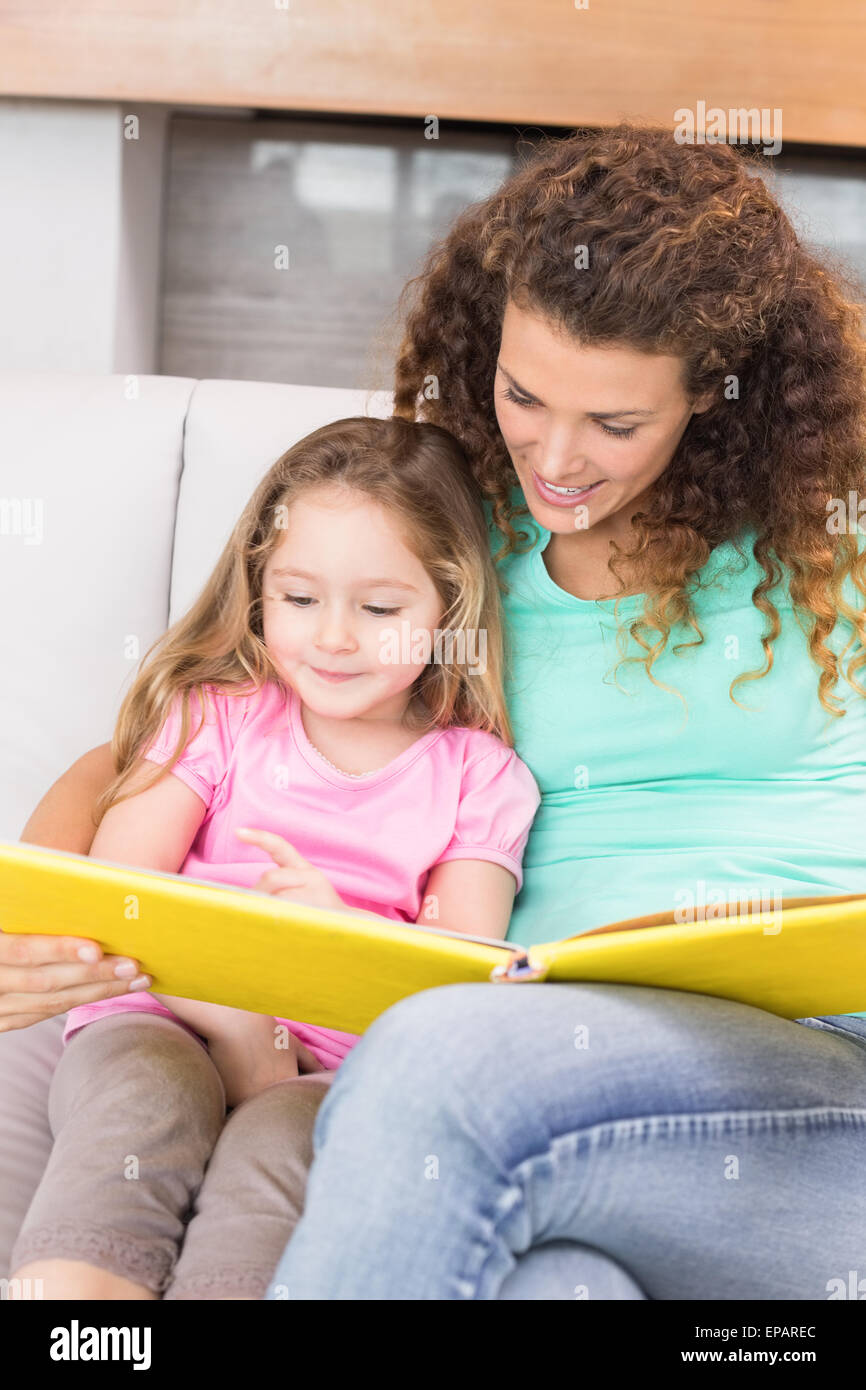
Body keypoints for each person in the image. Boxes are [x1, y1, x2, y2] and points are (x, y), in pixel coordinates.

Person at [3, 119, 866, 1301]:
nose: (553, 458)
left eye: (615, 425)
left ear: (715, 404)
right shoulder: (459, 546)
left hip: (812, 1074)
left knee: (435, 1062)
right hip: (549, 1068)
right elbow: (149, 745)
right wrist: (38, 932)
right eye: (524, 396)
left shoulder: (832, 550)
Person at [3, 416, 540, 1299]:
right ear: (257, 593)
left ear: (449, 605)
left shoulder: (479, 777)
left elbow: (461, 988)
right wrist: (237, 1021)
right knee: (140, 1106)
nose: (332, 638)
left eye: (379, 609)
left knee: (280, 1153)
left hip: (334, 1070)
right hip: (163, 1013)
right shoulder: (216, 715)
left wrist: (333, 946)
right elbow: (114, 898)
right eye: (298, 599)